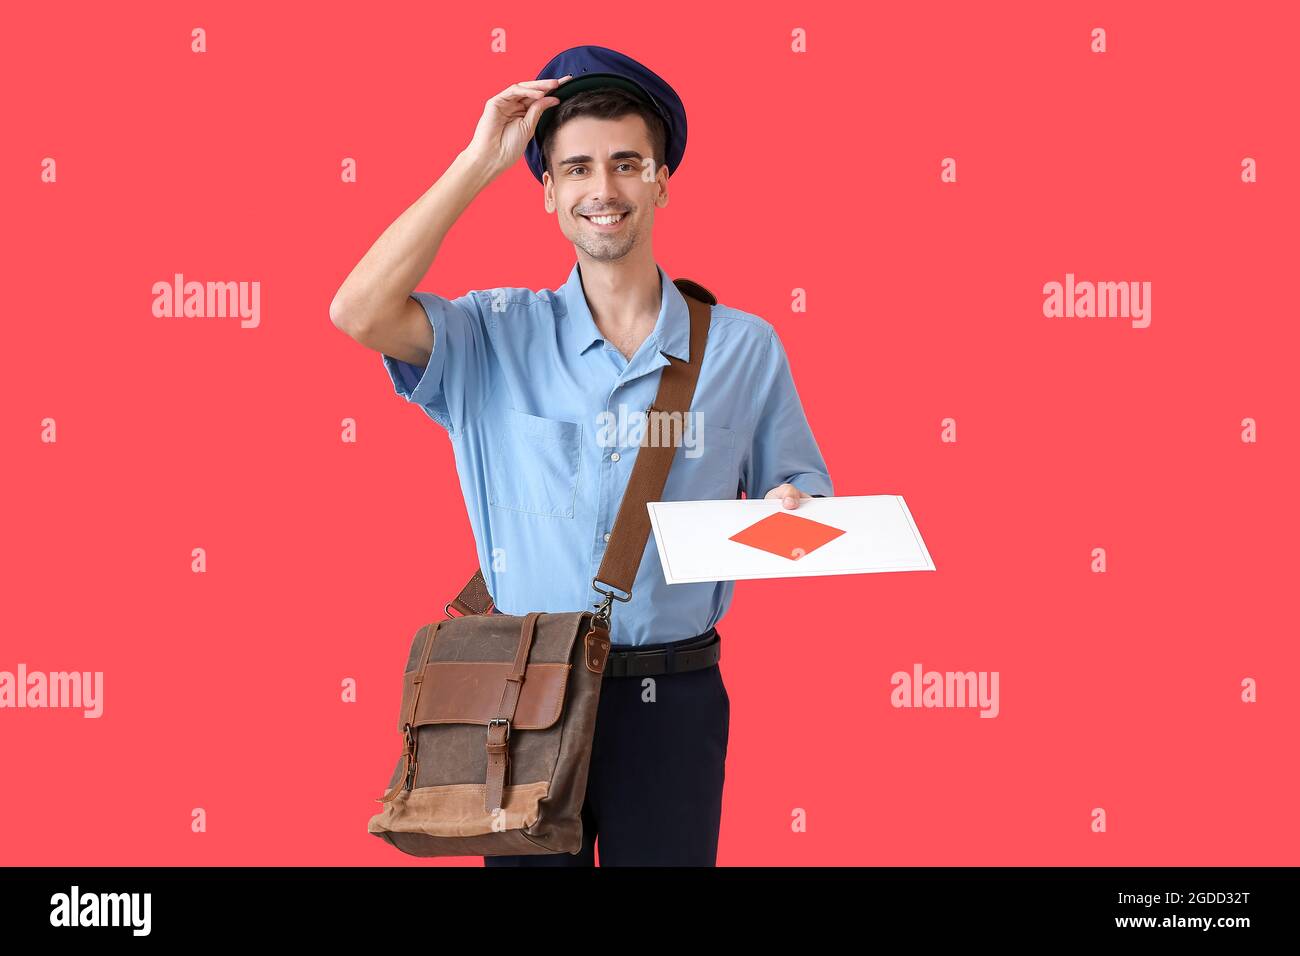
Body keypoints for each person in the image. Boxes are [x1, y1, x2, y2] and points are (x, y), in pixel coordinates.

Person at [331, 45, 833, 866]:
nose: (604, 191)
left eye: (628, 164)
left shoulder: (744, 347)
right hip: (522, 693)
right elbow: (357, 310)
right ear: (550, 194)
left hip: (672, 697)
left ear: (662, 180)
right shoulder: (492, 334)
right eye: (578, 169)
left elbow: (800, 487)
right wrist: (477, 160)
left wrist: (792, 511)